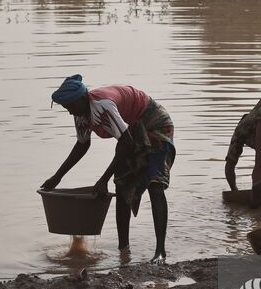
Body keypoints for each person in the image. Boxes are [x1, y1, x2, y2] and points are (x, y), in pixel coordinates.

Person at [41, 75, 175, 262]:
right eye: (66, 108)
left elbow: (126, 143)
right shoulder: (81, 114)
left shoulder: (102, 105)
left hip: (155, 123)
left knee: (155, 184)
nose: (70, 112)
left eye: (71, 106)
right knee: (122, 186)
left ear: (83, 98)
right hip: (133, 130)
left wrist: (103, 180)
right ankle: (123, 251)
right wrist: (57, 177)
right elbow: (82, 145)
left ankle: (160, 252)